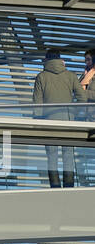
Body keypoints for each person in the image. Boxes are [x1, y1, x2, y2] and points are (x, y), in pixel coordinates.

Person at [33, 49, 83, 187]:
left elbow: (37, 104)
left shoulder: (41, 77)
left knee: (52, 157)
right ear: (60, 60)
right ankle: (69, 186)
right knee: (68, 155)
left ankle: (54, 187)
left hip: (49, 123)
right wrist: (74, 113)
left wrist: (38, 124)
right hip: (68, 120)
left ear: (46, 60)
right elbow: (83, 98)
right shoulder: (71, 76)